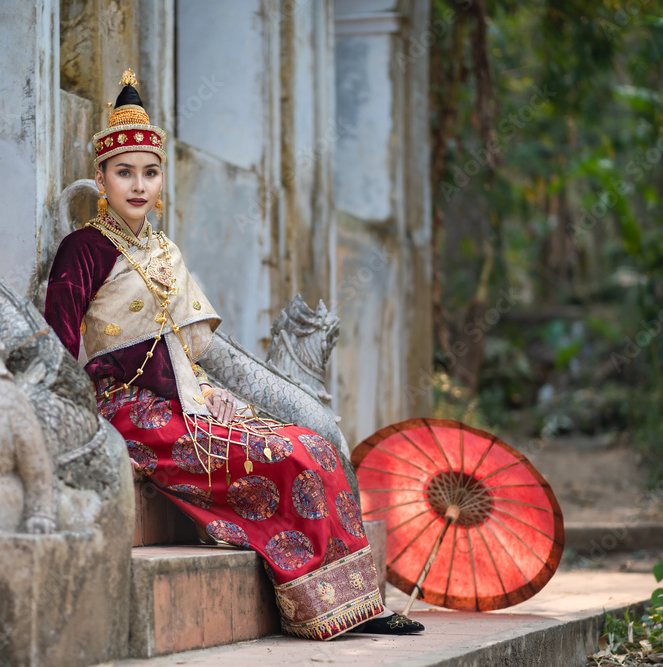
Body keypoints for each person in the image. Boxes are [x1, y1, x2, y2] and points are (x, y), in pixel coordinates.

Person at [45, 69, 423, 640]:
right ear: (101, 178)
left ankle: (357, 602)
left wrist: (210, 394)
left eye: (149, 173)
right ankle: (317, 605)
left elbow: (184, 348)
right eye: (124, 173)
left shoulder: (163, 251)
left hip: (184, 399)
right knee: (284, 456)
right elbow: (57, 345)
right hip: (124, 411)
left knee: (315, 444)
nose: (138, 185)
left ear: (161, 180)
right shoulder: (83, 249)